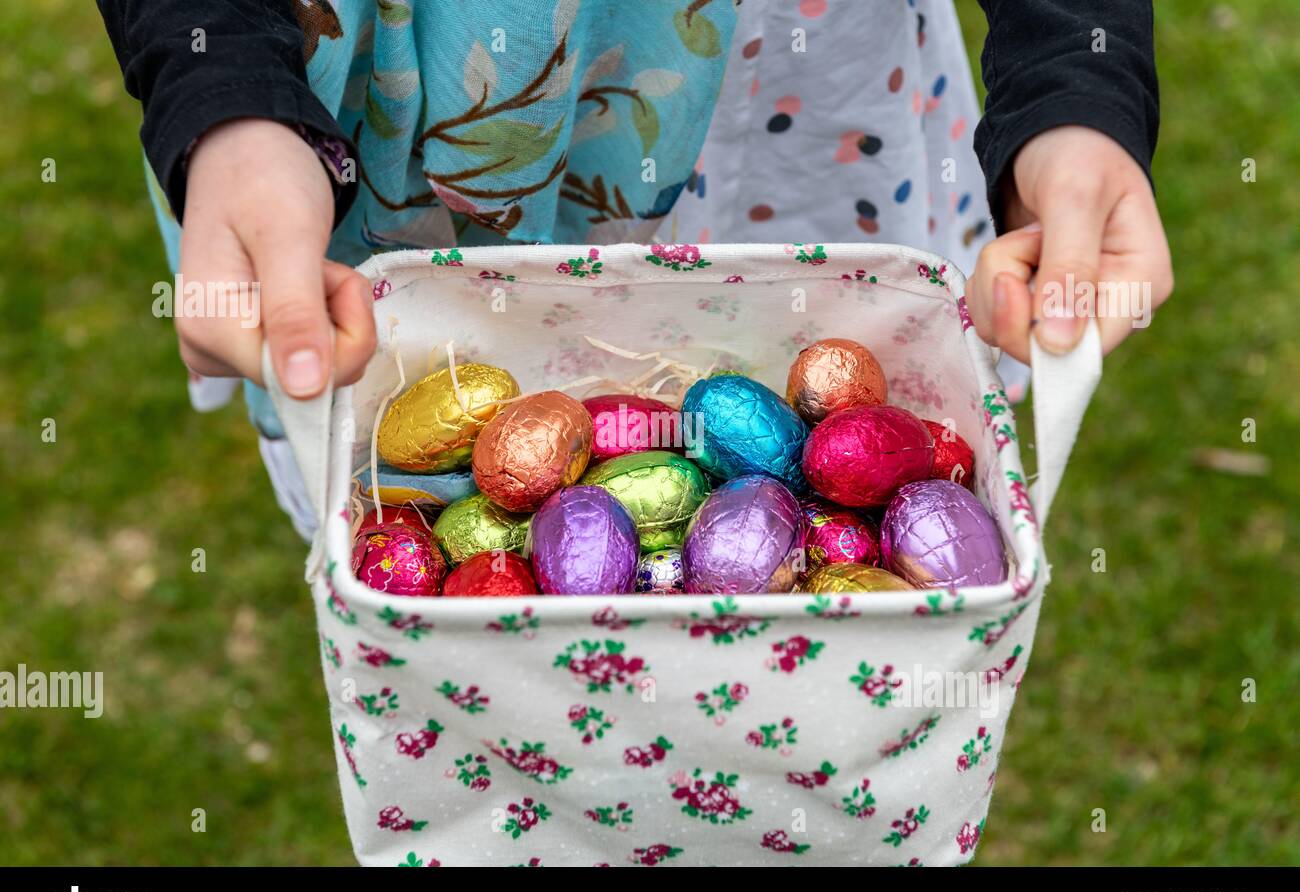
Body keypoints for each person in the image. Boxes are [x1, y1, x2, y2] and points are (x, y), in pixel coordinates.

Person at [99, 0, 1172, 536]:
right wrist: (226, 97)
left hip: (788, 86)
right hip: (401, 134)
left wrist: (1074, 84)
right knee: (474, 637)